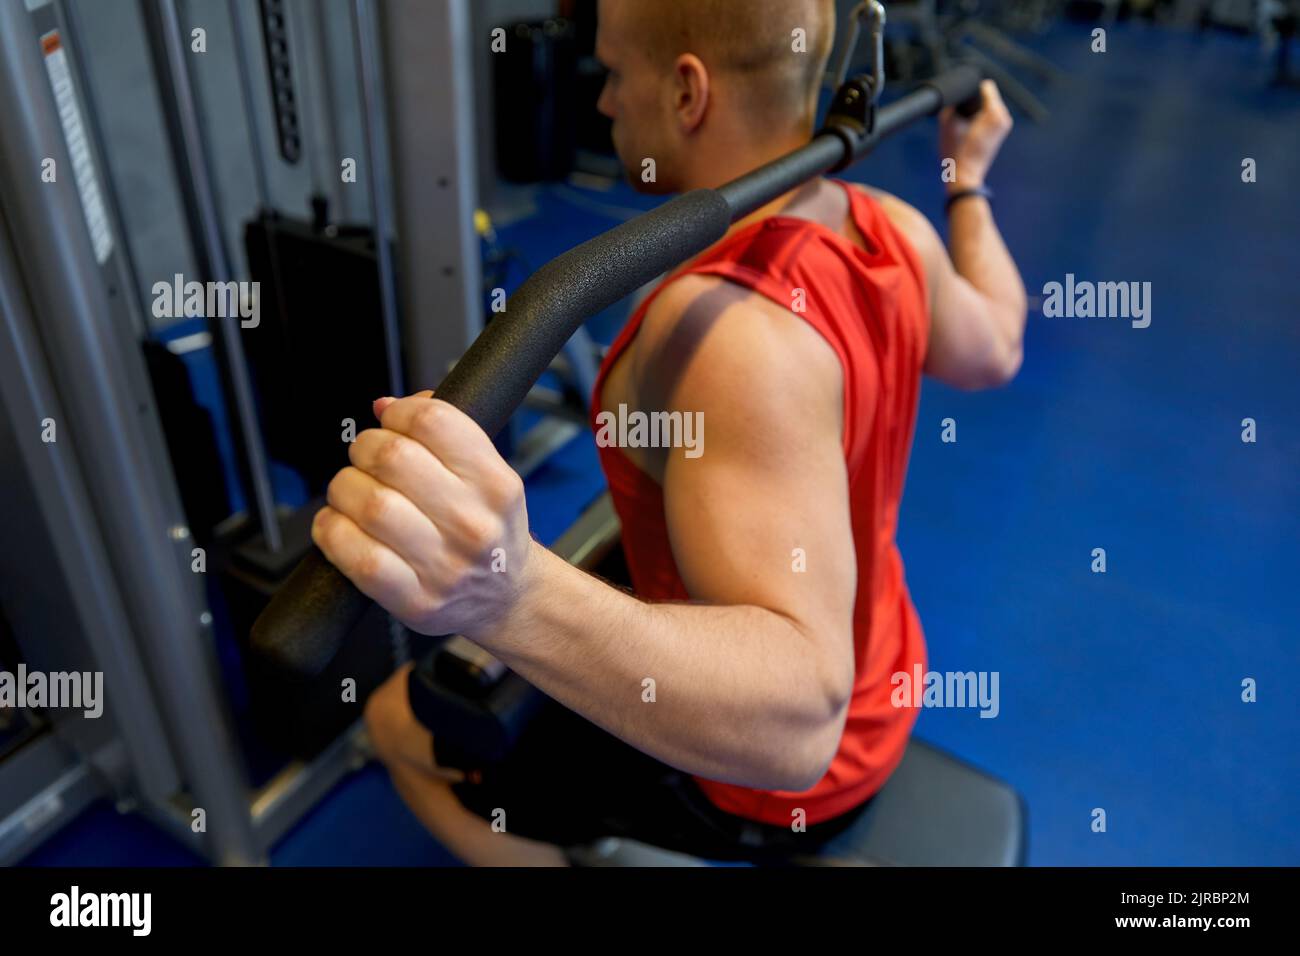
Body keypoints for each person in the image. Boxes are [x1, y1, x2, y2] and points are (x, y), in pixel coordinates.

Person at [337, 0, 1026, 866]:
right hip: (889, 674)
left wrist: (508, 596)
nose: (603, 103)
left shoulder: (731, 337)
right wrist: (967, 182)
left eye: (615, 73)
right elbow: (996, 346)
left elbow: (799, 721)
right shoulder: (895, 227)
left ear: (687, 93)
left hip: (776, 778)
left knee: (396, 725)